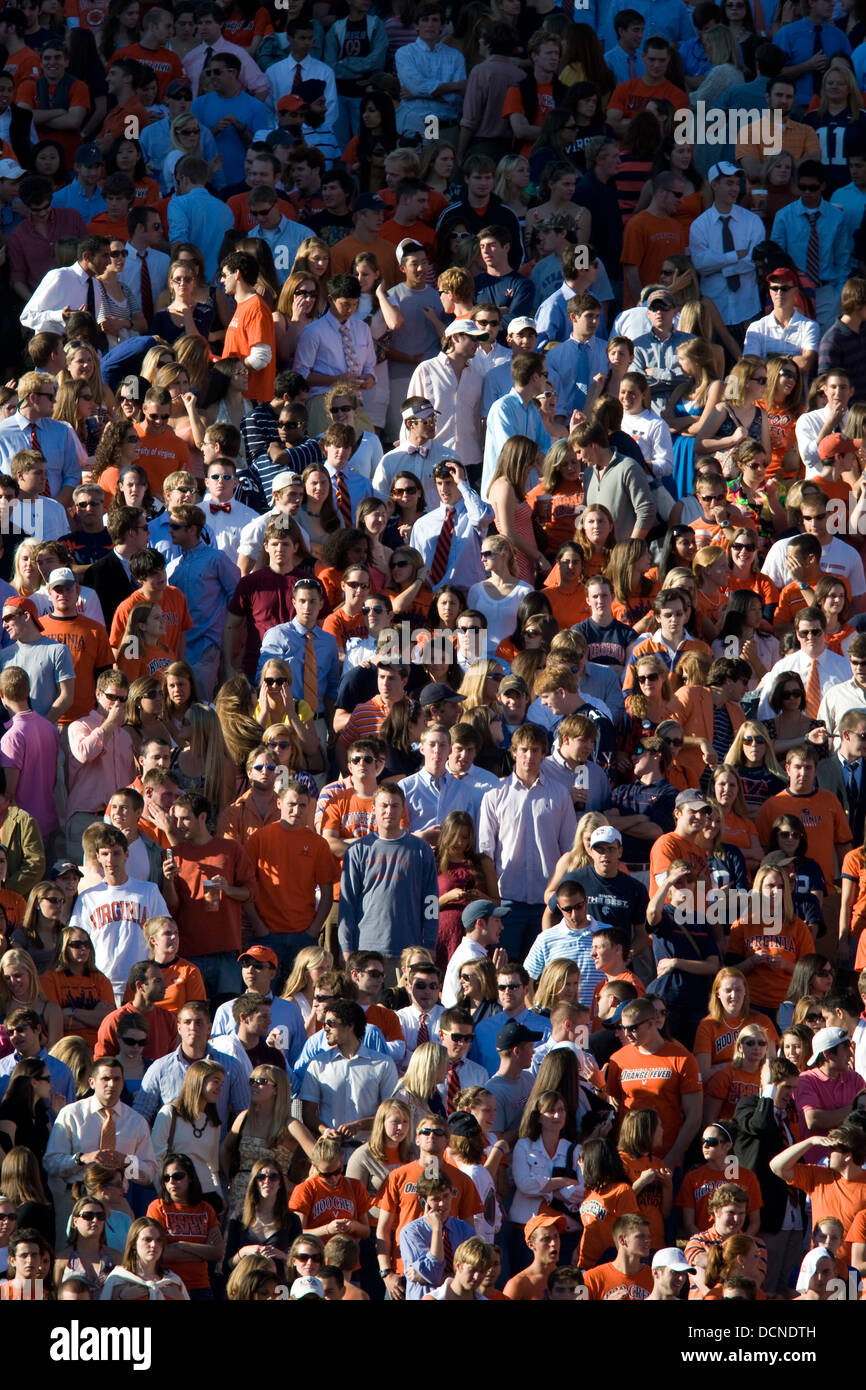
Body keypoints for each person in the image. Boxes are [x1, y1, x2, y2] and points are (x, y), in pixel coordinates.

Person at [43, 1056, 158, 1223]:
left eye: (117, 1079)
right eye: (105, 1078)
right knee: (69, 1249)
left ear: (123, 1082)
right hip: (77, 1198)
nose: (111, 1084)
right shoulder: (72, 1114)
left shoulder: (136, 1121)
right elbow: (51, 1162)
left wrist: (126, 1162)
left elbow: (149, 1173)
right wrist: (82, 1159)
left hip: (117, 1200)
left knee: (121, 1249)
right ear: (92, 1082)